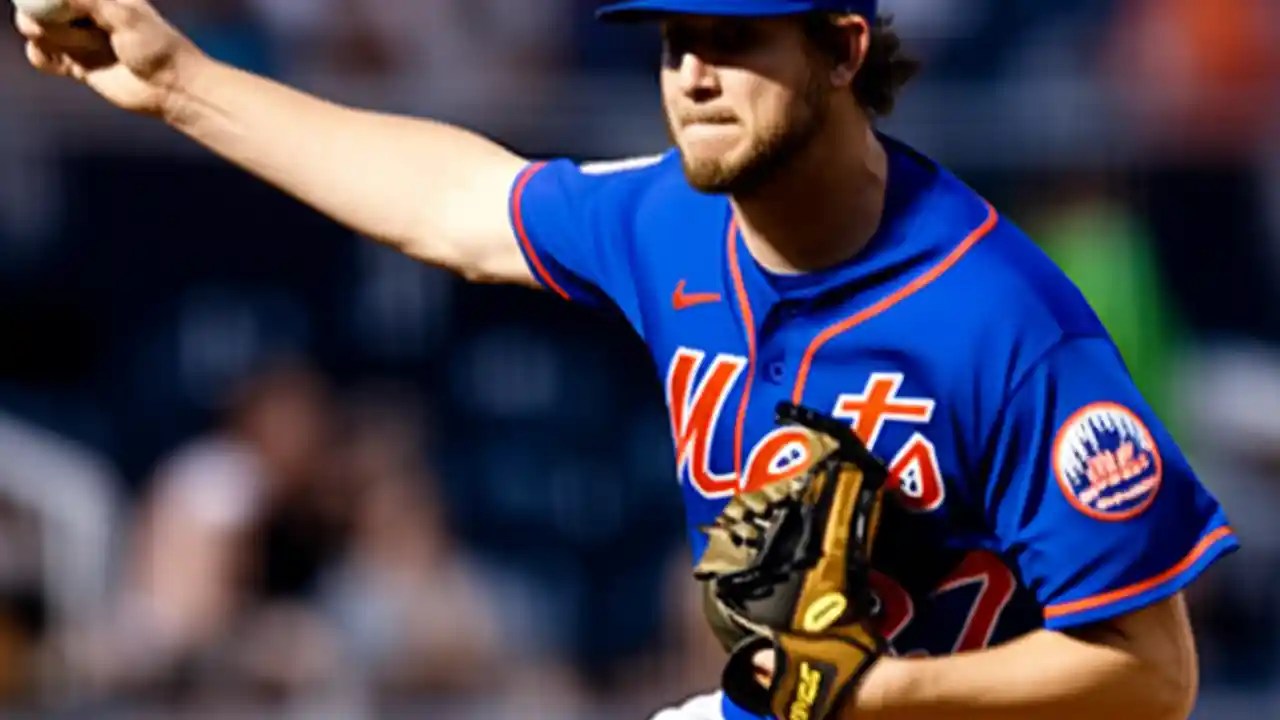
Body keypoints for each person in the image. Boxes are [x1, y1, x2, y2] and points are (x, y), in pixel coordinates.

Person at [14, 1, 1239, 718]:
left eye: (733, 37)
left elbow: (1150, 675)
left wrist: (873, 698)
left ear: (842, 49)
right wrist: (182, 84)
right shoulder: (671, 218)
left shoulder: (1003, 322)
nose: (691, 76)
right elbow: (452, 205)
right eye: (670, 39)